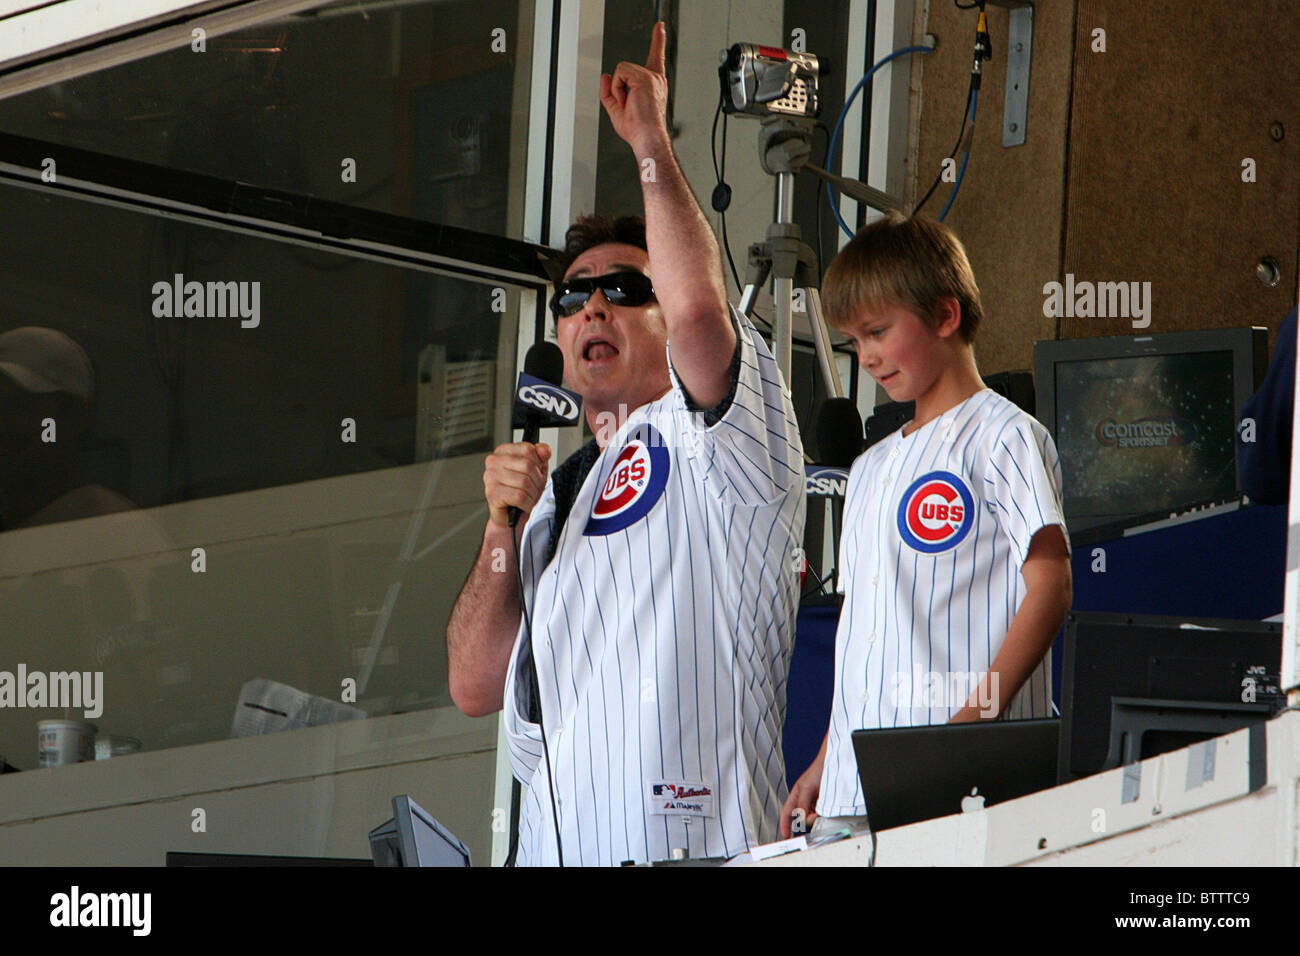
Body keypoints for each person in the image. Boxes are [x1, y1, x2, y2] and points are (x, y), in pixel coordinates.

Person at [446, 22, 805, 866]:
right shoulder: (555, 496)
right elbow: (471, 685)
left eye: (623, 288)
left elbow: (699, 317)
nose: (594, 308)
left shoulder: (711, 431)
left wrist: (650, 144)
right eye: (573, 298)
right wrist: (502, 524)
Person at [779, 213, 1072, 845]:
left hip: (967, 786)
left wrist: (972, 723)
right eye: (855, 342)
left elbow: (1050, 586)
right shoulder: (867, 468)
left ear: (945, 315)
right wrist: (827, 758)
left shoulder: (1007, 435)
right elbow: (865, 634)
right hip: (854, 791)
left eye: (878, 331)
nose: (868, 357)